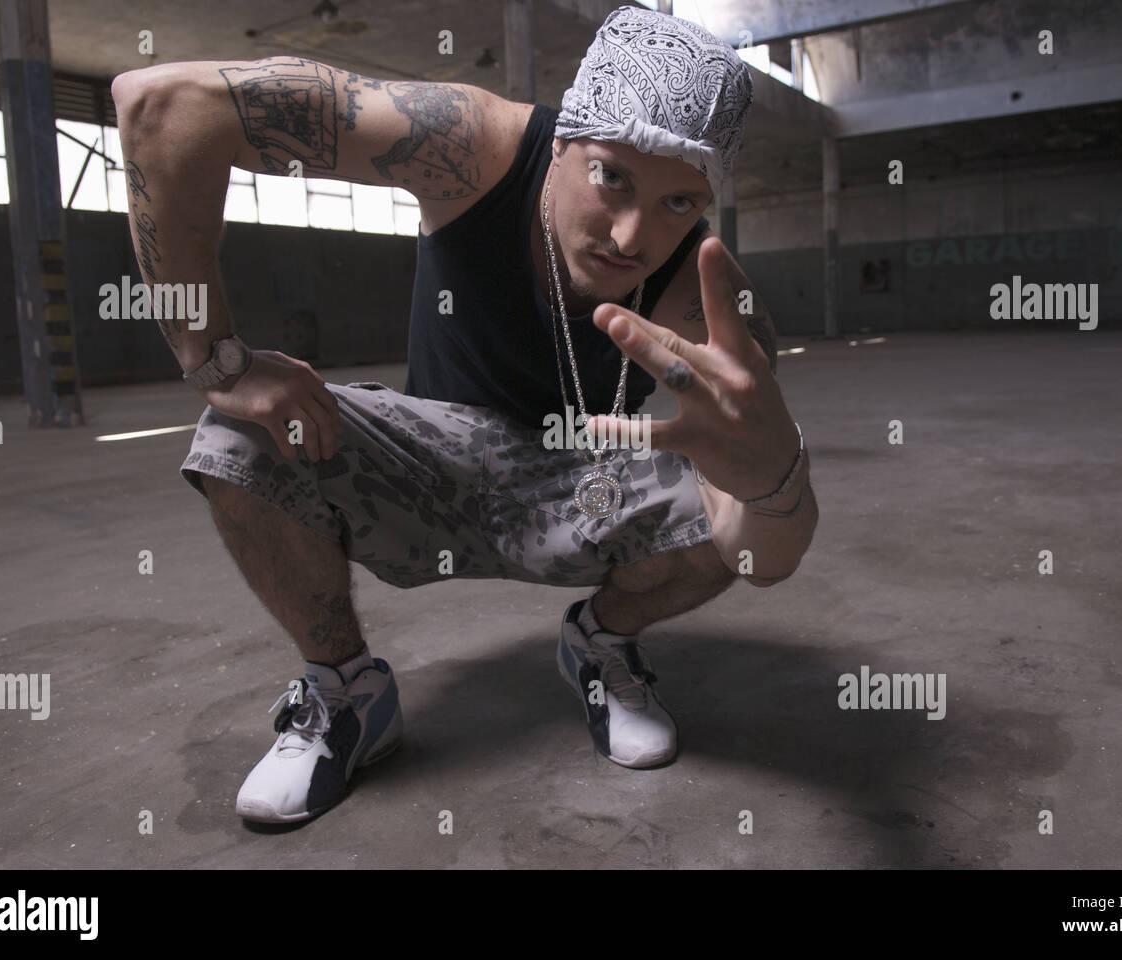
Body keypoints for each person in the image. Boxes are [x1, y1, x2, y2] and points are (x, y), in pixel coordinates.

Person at [112, 5, 817, 824]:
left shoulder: (706, 291)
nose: (631, 235)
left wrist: (773, 486)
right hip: (429, 457)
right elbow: (163, 104)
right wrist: (214, 358)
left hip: (577, 479)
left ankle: (600, 642)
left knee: (723, 491)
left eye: (676, 202)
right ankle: (346, 692)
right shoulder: (473, 145)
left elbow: (761, 557)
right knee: (240, 430)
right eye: (611, 177)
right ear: (561, 144)